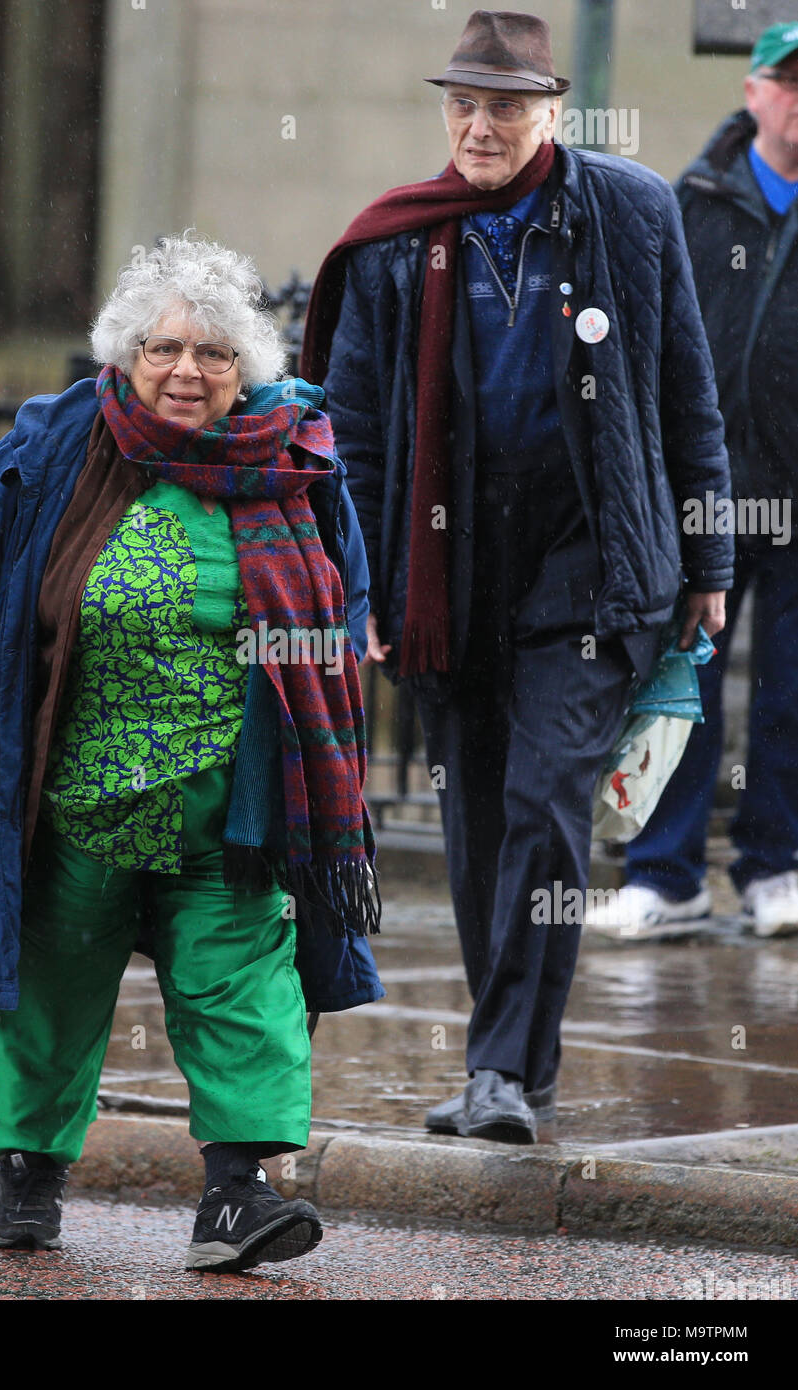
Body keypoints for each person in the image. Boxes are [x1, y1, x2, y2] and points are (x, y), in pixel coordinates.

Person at [0, 234, 382, 1272]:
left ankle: (238, 1196)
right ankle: (27, 1180)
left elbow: (347, 604)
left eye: (215, 354)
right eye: (165, 349)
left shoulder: (299, 461)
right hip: (72, 797)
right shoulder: (54, 448)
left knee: (243, 985)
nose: (188, 372)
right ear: (124, 356)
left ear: (249, 371)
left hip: (231, 810)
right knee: (45, 987)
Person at [301, 9, 732, 1144]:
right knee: (483, 826)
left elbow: (685, 389)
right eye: (463, 104)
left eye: (503, 105)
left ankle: (497, 1069)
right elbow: (352, 435)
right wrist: (357, 590)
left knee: (546, 806)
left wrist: (710, 557)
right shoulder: (402, 240)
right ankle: (516, 1068)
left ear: (553, 110)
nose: (479, 125)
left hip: (590, 568)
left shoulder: (628, 211)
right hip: (448, 575)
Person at [586, 20, 798, 940]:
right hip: (706, 495)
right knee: (684, 686)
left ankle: (777, 867)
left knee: (793, 694)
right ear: (752, 92)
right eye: (788, 80)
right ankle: (665, 875)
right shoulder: (691, 200)